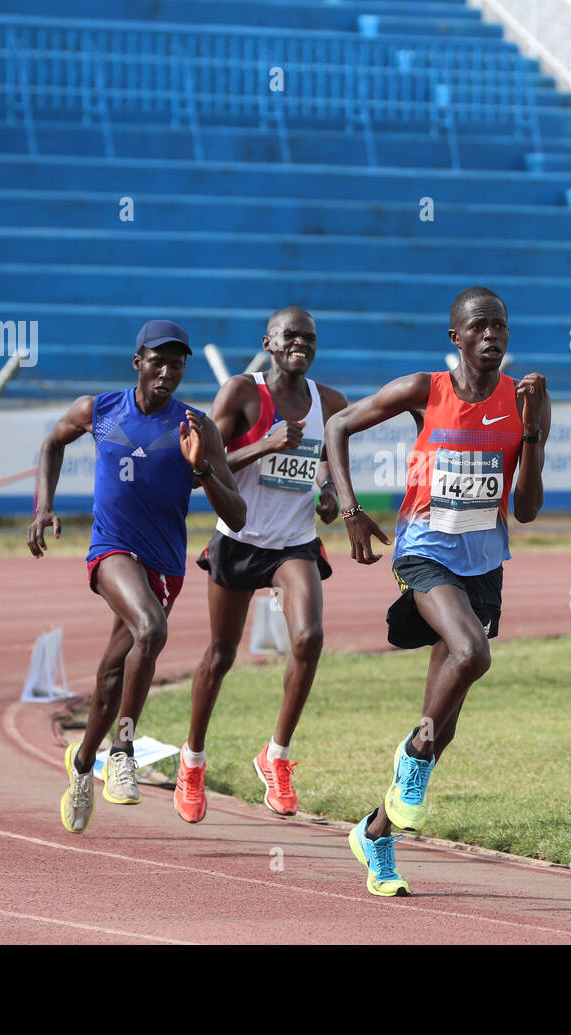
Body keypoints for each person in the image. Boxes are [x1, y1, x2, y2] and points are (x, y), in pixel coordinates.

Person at [323, 286, 550, 895]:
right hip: (424, 553)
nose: (491, 335)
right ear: (456, 337)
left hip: (483, 564)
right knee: (472, 655)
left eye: (499, 325)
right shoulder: (426, 390)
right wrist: (349, 508)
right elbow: (338, 425)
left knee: (445, 719)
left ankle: (375, 835)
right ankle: (413, 750)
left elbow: (525, 512)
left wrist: (534, 437)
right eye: (478, 326)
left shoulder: (518, 401)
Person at [28, 319, 246, 835]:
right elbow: (52, 443)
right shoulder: (100, 412)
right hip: (111, 550)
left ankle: (83, 765)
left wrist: (203, 472)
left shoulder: (195, 427)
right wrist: (45, 506)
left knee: (110, 674)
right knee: (151, 631)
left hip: (165, 565)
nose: (167, 371)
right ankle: (122, 749)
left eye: (177, 363)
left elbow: (236, 516)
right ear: (138, 363)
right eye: (158, 360)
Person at [174, 306, 348, 822]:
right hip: (239, 538)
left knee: (309, 639)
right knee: (221, 655)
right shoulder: (242, 393)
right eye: (290, 336)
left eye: (309, 338)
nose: (301, 344)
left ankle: (277, 756)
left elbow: (331, 472)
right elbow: (199, 468)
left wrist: (331, 497)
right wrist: (267, 444)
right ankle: (193, 760)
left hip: (294, 543)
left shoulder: (331, 403)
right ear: (268, 343)